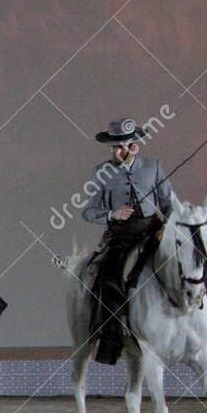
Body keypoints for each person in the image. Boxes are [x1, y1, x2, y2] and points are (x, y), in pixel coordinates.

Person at [81, 118, 173, 365]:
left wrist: (166, 226)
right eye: (113, 147)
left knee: (189, 259)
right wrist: (112, 214)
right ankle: (111, 338)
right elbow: (88, 211)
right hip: (121, 235)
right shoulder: (101, 172)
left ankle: (201, 325)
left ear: (135, 146)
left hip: (153, 231)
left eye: (122, 146)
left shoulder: (153, 167)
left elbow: (169, 204)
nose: (117, 152)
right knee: (108, 277)